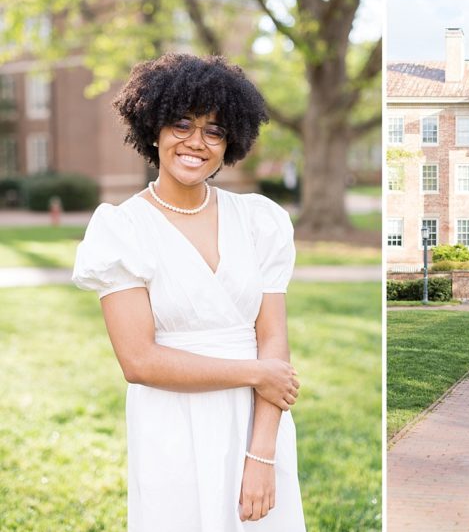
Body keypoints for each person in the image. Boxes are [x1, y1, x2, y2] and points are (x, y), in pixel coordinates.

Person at [72, 53, 306, 531]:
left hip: (256, 422)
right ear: (153, 127)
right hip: (171, 423)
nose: (196, 142)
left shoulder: (260, 221)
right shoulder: (122, 230)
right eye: (182, 124)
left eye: (214, 131)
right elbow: (138, 361)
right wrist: (257, 372)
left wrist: (261, 455)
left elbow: (273, 342)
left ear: (230, 142)